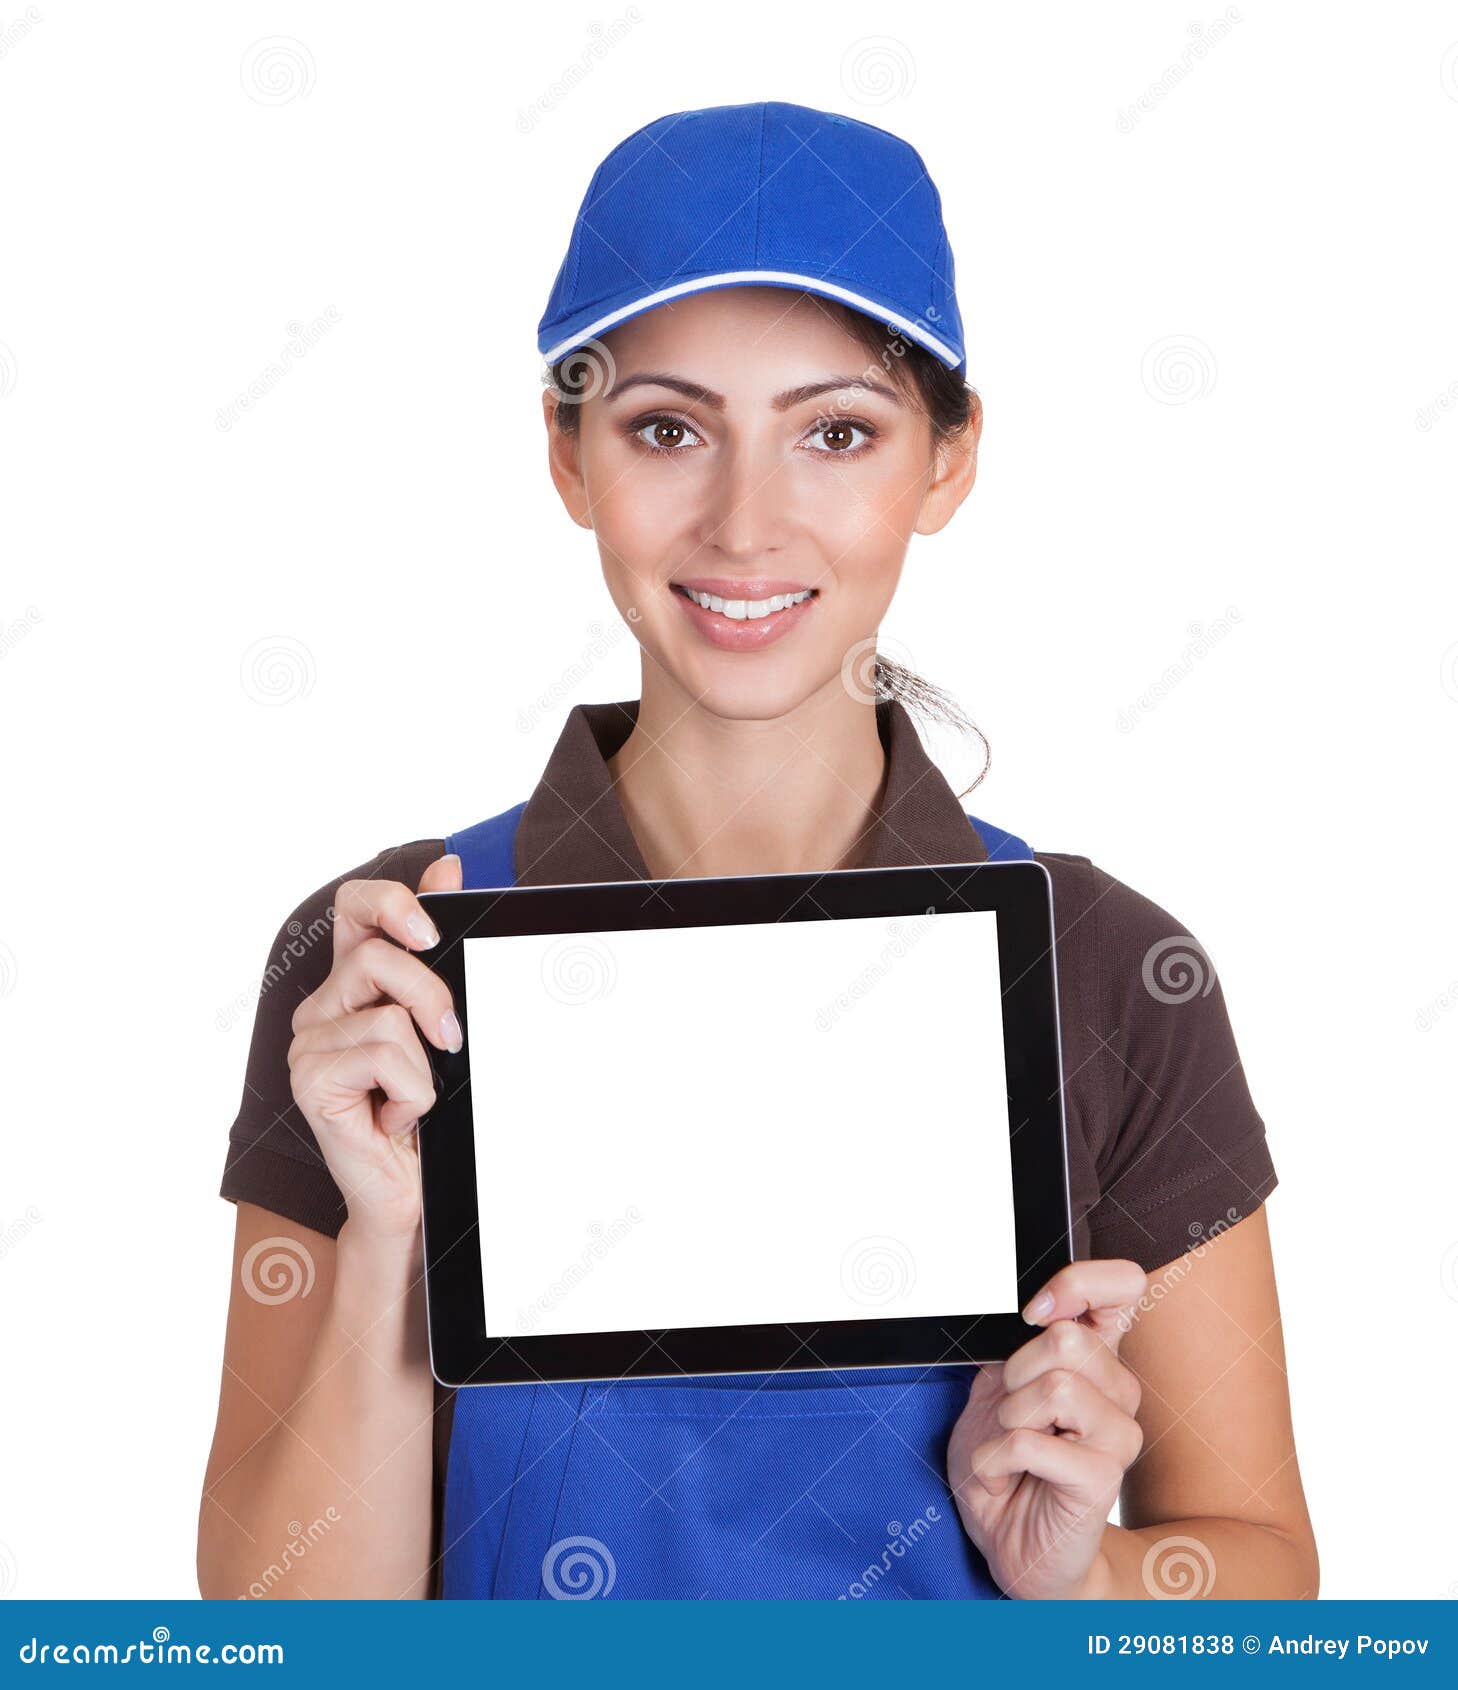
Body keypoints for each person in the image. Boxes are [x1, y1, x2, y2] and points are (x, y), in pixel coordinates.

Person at [198, 101, 1317, 1601]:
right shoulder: (392, 958)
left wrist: (1087, 1574)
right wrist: (388, 1237)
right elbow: (289, 1630)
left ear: (946, 460)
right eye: (667, 428)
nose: (743, 523)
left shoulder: (1108, 967)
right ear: (567, 455)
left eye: (834, 432)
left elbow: (1263, 1572)